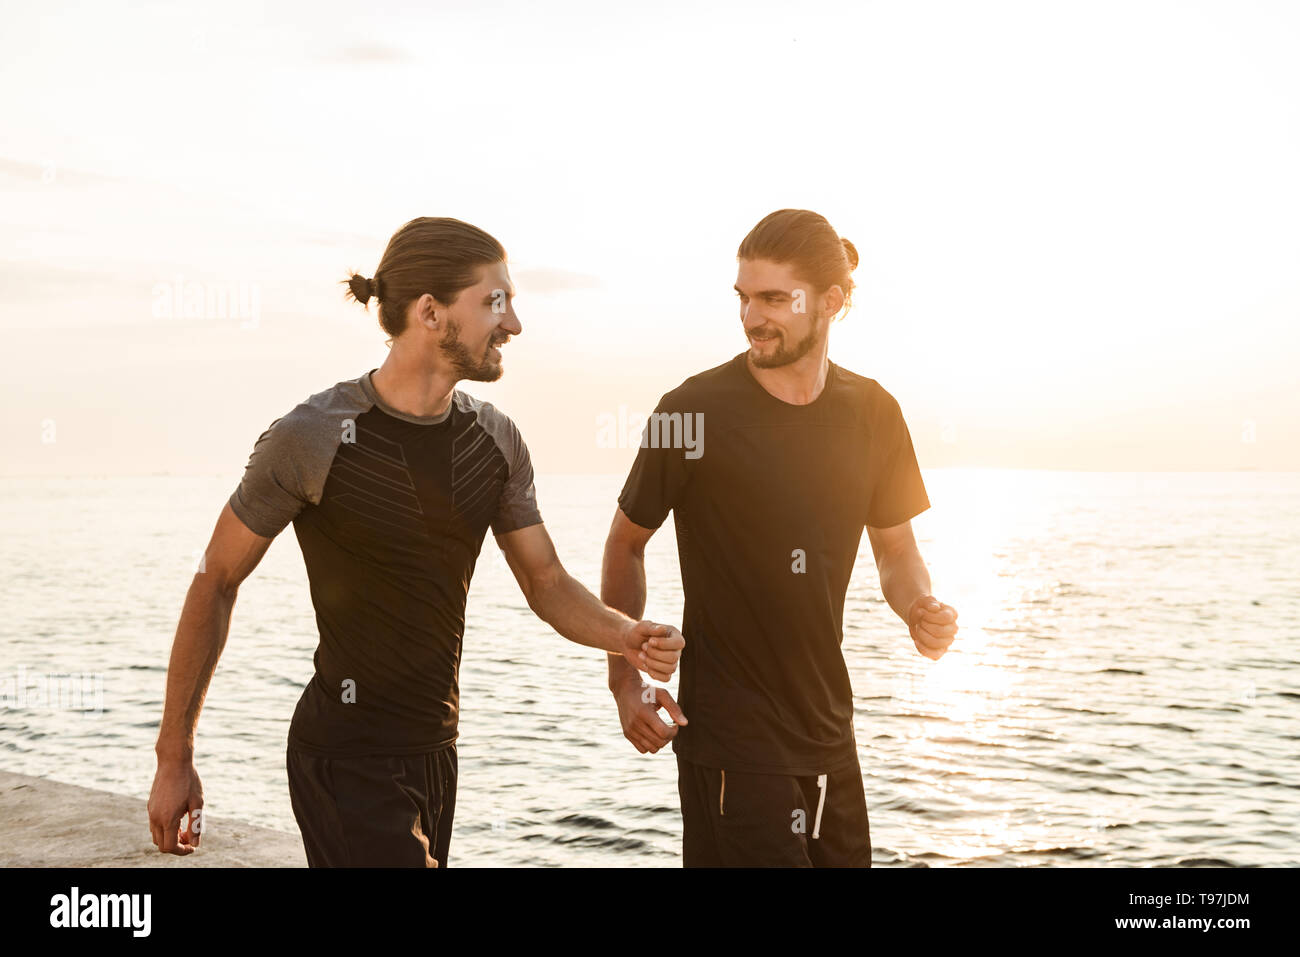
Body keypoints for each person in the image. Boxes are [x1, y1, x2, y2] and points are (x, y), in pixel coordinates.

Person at [148, 216, 684, 867]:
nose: (513, 323)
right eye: (495, 301)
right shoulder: (313, 436)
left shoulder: (495, 442)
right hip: (344, 755)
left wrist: (624, 634)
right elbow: (216, 578)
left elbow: (547, 584)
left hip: (437, 753)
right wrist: (175, 757)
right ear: (430, 311)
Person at [601, 208, 958, 867]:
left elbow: (898, 551)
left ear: (831, 301)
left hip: (830, 739)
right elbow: (625, 542)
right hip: (732, 743)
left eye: (773, 298)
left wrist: (917, 606)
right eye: (743, 297)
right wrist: (626, 682)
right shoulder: (692, 411)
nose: (751, 316)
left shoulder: (874, 412)